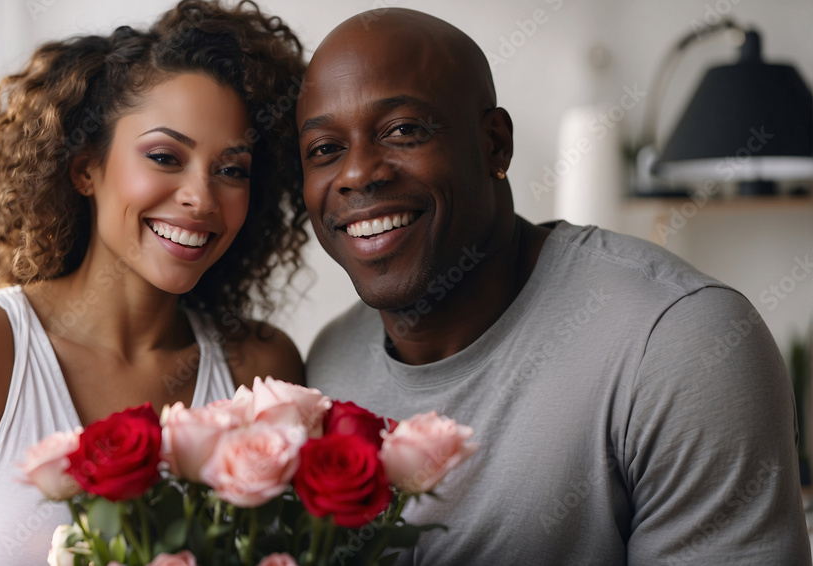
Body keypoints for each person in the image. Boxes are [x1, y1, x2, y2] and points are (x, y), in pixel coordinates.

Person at [300, 8, 811, 565]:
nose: (356, 174)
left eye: (402, 130)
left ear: (496, 144)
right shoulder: (327, 368)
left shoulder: (680, 344)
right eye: (324, 149)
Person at [0, 1, 308, 564]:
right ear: (85, 169)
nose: (202, 197)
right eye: (166, 156)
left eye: (232, 169)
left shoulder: (261, 369)